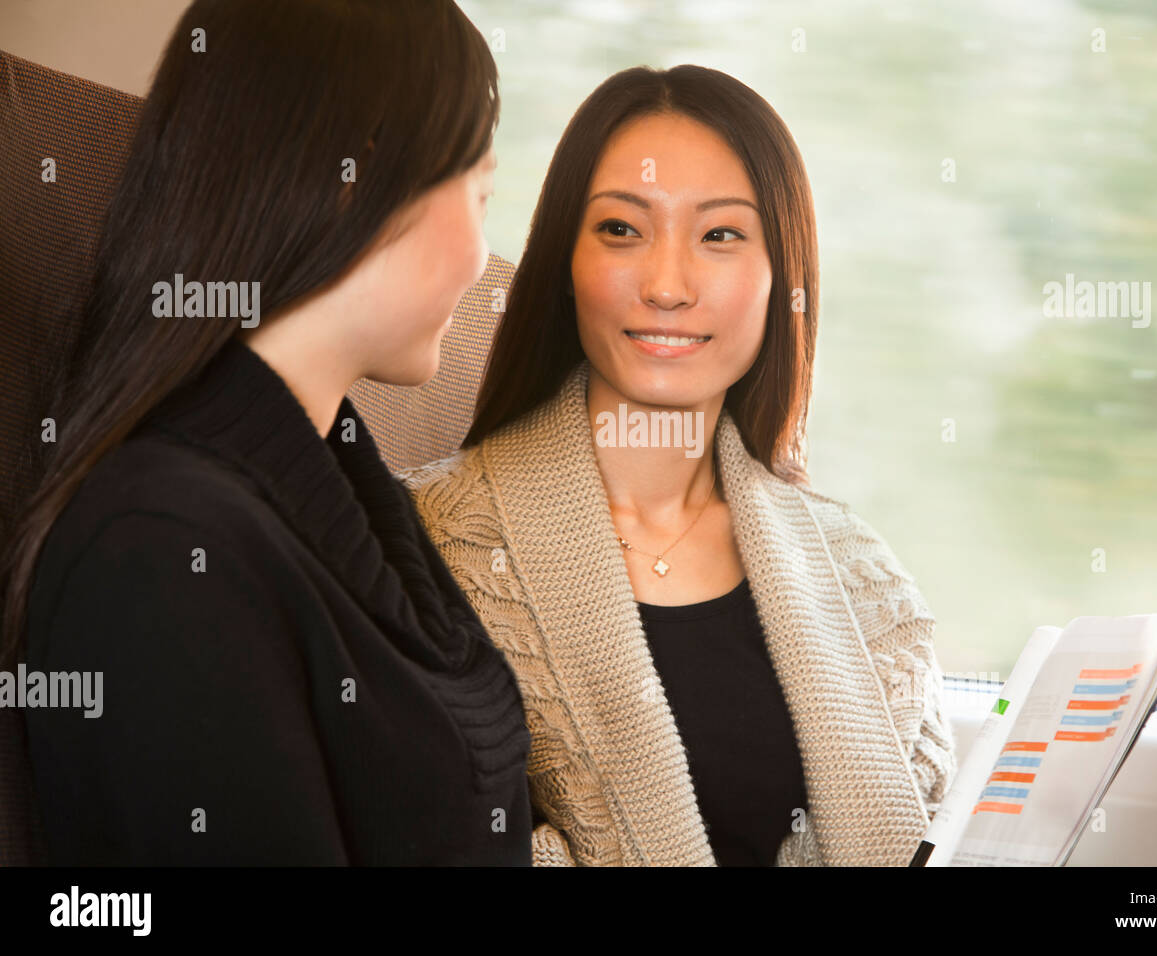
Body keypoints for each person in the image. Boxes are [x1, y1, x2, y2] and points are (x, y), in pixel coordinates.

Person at [1, 0, 533, 865]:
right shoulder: (163, 547)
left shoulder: (346, 488)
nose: (483, 256)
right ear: (354, 180)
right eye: (477, 190)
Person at [402, 64, 958, 866]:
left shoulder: (863, 575)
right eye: (622, 231)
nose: (666, 286)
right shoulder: (423, 547)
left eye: (721, 235)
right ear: (564, 260)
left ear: (780, 279)